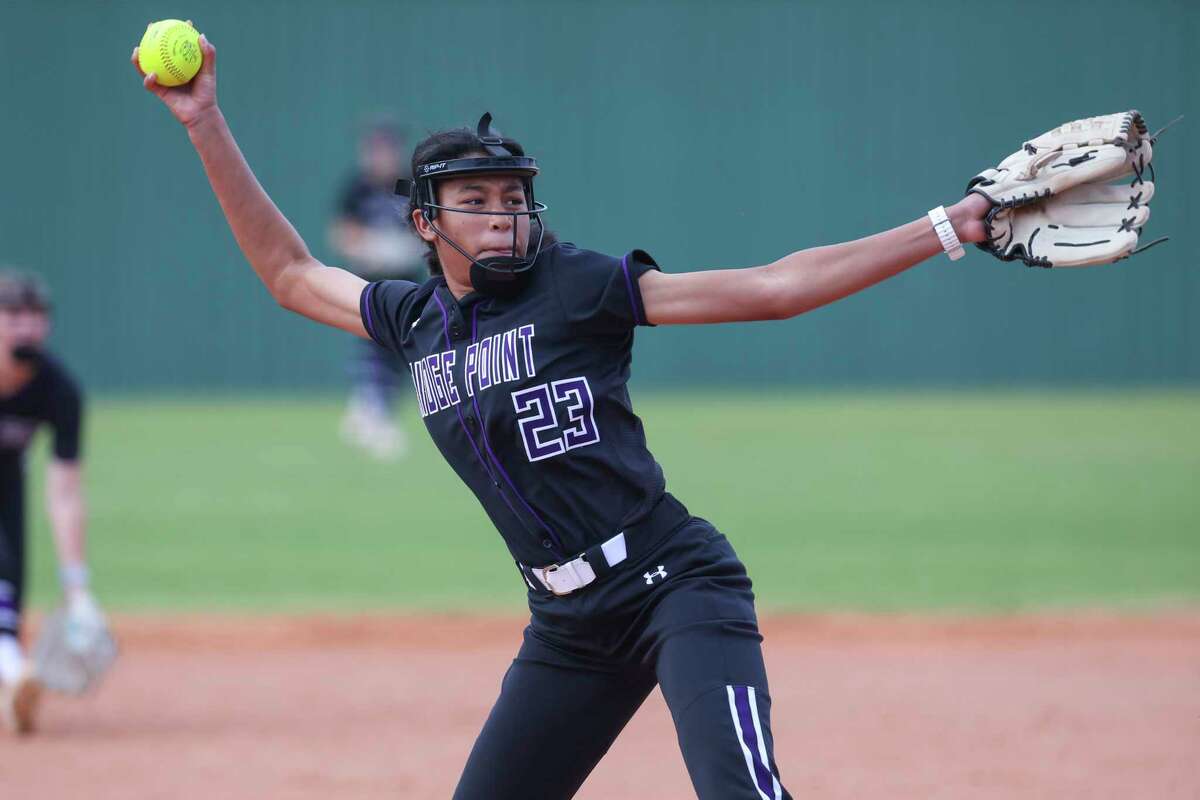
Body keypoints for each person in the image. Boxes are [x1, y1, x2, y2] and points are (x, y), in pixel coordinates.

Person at [133, 35, 990, 799]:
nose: (502, 213)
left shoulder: (577, 286)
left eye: (511, 196)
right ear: (425, 222)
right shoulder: (415, 319)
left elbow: (773, 290)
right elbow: (288, 273)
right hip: (569, 628)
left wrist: (946, 227)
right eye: (476, 199)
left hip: (674, 586)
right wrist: (203, 121)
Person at [0, 271, 98, 735]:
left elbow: (64, 494)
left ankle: (12, 668)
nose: (27, 327)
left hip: (7, 477)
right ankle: (13, 668)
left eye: (36, 316)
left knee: (12, 582)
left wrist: (77, 588)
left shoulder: (59, 390)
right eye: (13, 315)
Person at [330, 118, 427, 459]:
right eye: (375, 150)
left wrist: (406, 246)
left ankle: (373, 409)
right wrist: (371, 248)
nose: (381, 157)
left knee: (403, 347)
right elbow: (343, 234)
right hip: (368, 281)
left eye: (387, 150)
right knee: (371, 344)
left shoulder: (407, 185)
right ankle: (373, 412)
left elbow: (427, 225)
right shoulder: (357, 188)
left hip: (407, 281)